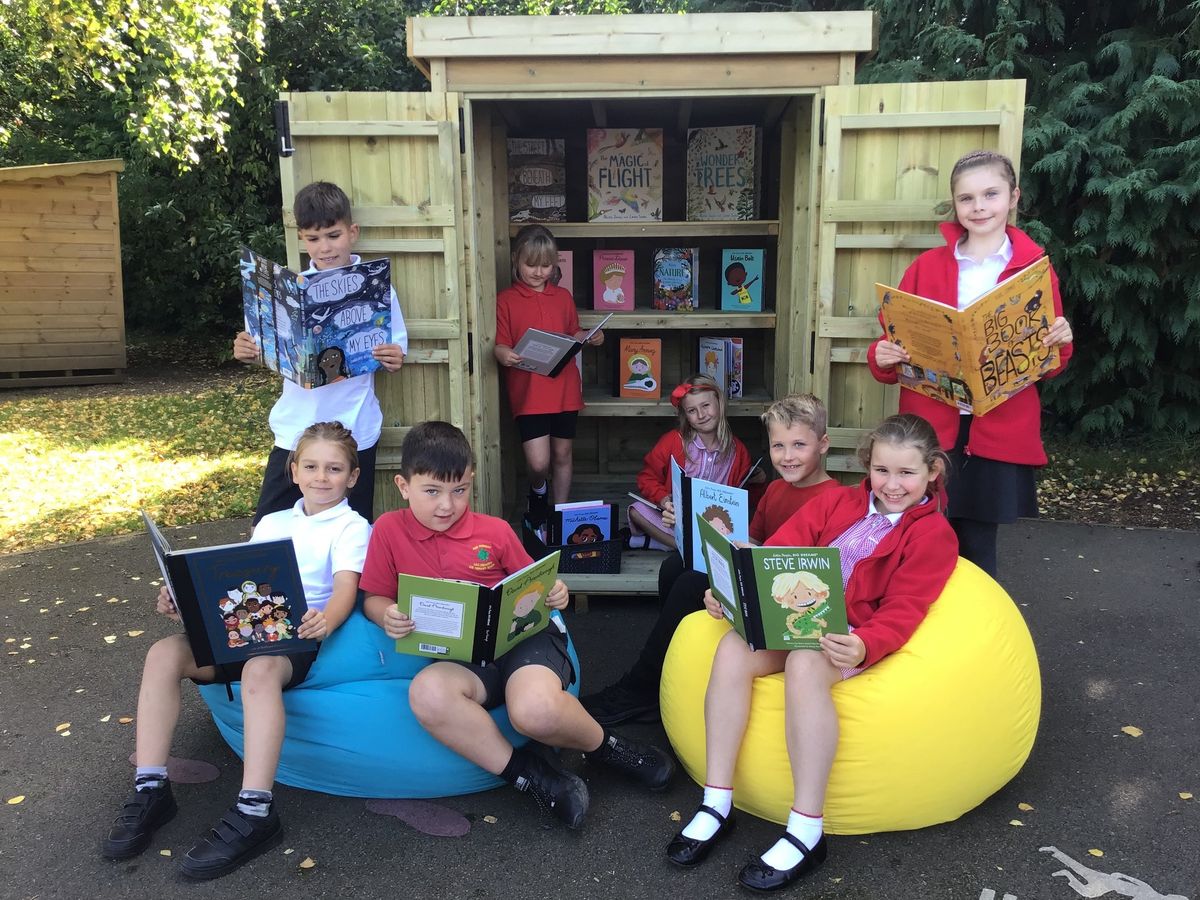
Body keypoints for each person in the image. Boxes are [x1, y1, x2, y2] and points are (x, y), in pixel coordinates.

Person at [665, 413, 958, 891]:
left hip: (850, 636)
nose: (892, 484)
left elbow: (906, 607)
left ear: (932, 472)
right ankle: (716, 802)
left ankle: (806, 829)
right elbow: (779, 553)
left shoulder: (933, 535)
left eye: (907, 473)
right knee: (734, 647)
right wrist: (731, 591)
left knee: (805, 661)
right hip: (795, 615)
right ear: (868, 465)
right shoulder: (838, 501)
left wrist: (866, 643)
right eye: (882, 470)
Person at [359, 421, 673, 829]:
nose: (446, 506)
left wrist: (556, 592)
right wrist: (386, 614)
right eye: (432, 491)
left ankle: (608, 747)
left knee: (535, 711)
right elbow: (374, 597)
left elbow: (536, 583)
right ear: (403, 486)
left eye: (459, 491)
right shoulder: (387, 530)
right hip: (461, 656)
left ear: (471, 481)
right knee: (428, 693)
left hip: (524, 640)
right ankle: (532, 776)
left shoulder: (495, 531)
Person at [101, 422, 370, 880]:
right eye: (311, 466)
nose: (321, 476)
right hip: (245, 628)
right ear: (293, 470)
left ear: (353, 477)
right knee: (164, 653)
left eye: (334, 468)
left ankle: (256, 810)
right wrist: (183, 600)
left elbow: (345, 587)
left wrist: (330, 618)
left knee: (260, 671)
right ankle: (151, 787)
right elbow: (237, 583)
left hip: (295, 635)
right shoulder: (273, 522)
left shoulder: (351, 525)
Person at [868, 149, 1074, 577]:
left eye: (991, 194)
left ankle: (977, 636)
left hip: (997, 428)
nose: (979, 207)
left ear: (1013, 197)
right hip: (931, 426)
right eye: (967, 198)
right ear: (955, 204)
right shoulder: (926, 267)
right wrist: (882, 355)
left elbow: (1050, 362)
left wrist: (1060, 341)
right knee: (922, 536)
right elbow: (892, 342)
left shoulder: (1034, 270)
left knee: (979, 547)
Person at [584, 394, 838, 726]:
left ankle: (640, 688)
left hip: (787, 602)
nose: (787, 457)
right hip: (759, 579)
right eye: (778, 447)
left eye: (799, 446)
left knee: (691, 582)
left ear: (823, 444)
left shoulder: (835, 499)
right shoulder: (776, 491)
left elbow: (819, 575)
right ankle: (665, 670)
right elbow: (754, 540)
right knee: (675, 565)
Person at [234, 181, 409, 525]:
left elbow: (396, 349)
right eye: (313, 239)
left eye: (333, 235)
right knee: (269, 526)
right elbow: (261, 345)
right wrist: (248, 351)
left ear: (352, 232)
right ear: (302, 238)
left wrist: (393, 358)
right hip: (296, 430)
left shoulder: (378, 287)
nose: (325, 248)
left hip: (355, 429)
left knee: (351, 527)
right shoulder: (286, 290)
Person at [494, 225, 603, 526]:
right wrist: (504, 354)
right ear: (516, 260)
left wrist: (590, 336)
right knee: (539, 462)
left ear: (555, 265)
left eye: (546, 265)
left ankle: (561, 514)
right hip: (529, 392)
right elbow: (500, 343)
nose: (539, 272)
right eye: (531, 265)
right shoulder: (505, 300)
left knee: (563, 454)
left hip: (564, 387)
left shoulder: (563, 296)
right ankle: (538, 488)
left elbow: (572, 333)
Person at [626, 374, 755, 551]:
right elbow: (647, 478)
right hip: (678, 520)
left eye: (706, 406)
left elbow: (745, 496)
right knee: (636, 510)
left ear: (719, 403)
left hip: (717, 524)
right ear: (685, 416)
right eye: (692, 411)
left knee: (747, 536)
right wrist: (664, 500)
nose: (701, 415)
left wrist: (758, 479)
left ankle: (670, 545)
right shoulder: (673, 441)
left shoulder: (737, 451)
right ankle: (692, 550)